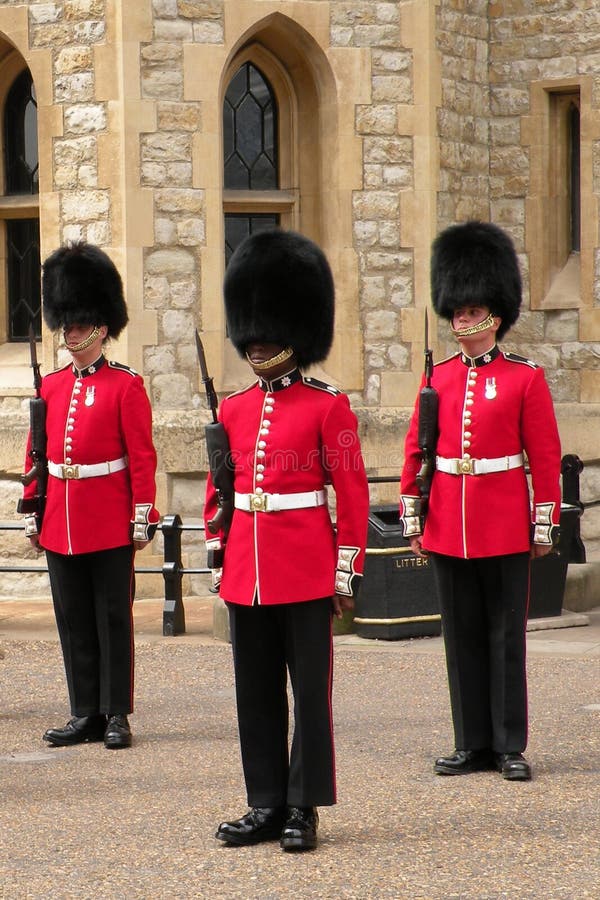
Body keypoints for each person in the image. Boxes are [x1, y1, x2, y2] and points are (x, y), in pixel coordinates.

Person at [204, 229, 369, 851]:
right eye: (252, 332)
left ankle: (305, 805)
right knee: (255, 693)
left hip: (305, 568)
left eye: (268, 331)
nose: (258, 344)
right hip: (248, 568)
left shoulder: (330, 408)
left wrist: (345, 569)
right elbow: (222, 495)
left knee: (310, 695)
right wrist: (220, 557)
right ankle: (265, 801)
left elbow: (350, 494)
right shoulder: (235, 409)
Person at [400, 221, 561, 782]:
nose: (462, 321)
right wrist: (413, 513)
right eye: (458, 313)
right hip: (449, 521)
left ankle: (509, 743)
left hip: (504, 524)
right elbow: (416, 453)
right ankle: (470, 741)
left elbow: (543, 457)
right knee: (461, 635)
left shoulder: (524, 379)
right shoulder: (438, 379)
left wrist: (543, 526)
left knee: (504, 635)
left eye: (471, 312)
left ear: (494, 314)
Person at [21, 242, 160, 750]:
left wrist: (142, 515)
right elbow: (36, 455)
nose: (70, 332)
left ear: (100, 326)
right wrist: (34, 510)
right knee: (73, 618)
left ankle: (116, 712)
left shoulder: (125, 386)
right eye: (67, 324)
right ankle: (84, 711)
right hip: (61, 517)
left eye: (79, 324)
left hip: (108, 519)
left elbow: (141, 458)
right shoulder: (52, 387)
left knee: (112, 618)